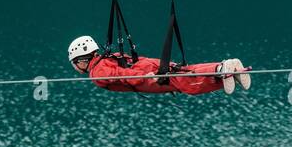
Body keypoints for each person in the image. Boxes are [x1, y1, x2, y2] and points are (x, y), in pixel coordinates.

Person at [67, 35, 251, 95]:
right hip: (145, 65)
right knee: (184, 71)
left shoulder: (96, 71)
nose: (75, 68)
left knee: (186, 83)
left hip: (144, 77)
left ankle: (220, 71)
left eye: (75, 63)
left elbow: (119, 75)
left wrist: (143, 77)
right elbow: (126, 61)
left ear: (81, 60)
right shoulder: (106, 57)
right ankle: (226, 68)